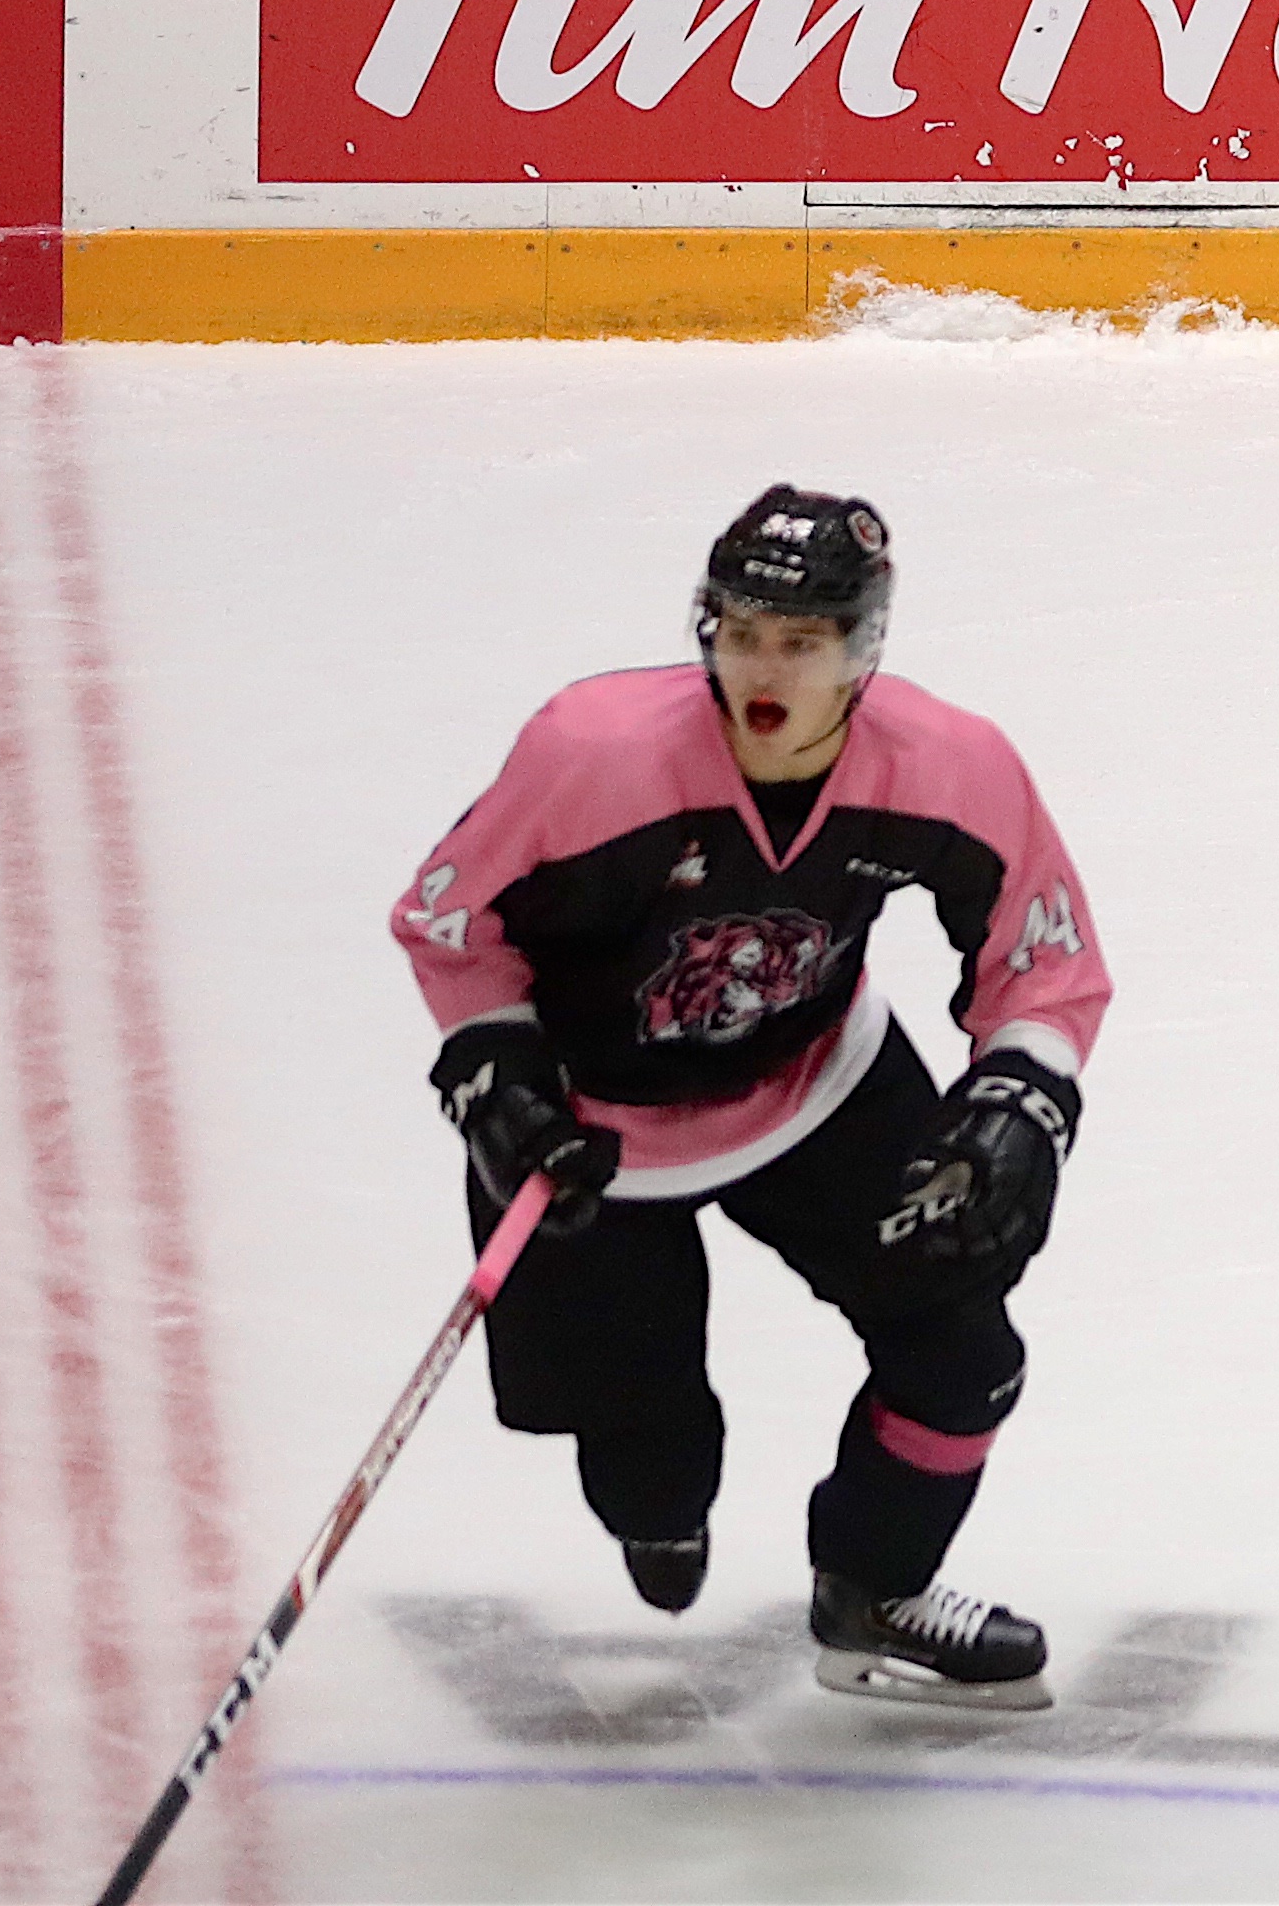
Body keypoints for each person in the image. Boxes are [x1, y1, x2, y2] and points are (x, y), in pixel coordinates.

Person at [397, 485, 1099, 1701]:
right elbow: (452, 921)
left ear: (863, 651)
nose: (763, 666)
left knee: (964, 1344)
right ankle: (652, 1487)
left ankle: (875, 1587)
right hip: (596, 1135)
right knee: (653, 1485)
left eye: (804, 640)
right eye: (740, 628)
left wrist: (1021, 1100)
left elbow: (1040, 954)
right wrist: (495, 1074)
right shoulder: (591, 752)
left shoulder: (948, 765)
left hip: (815, 1084)